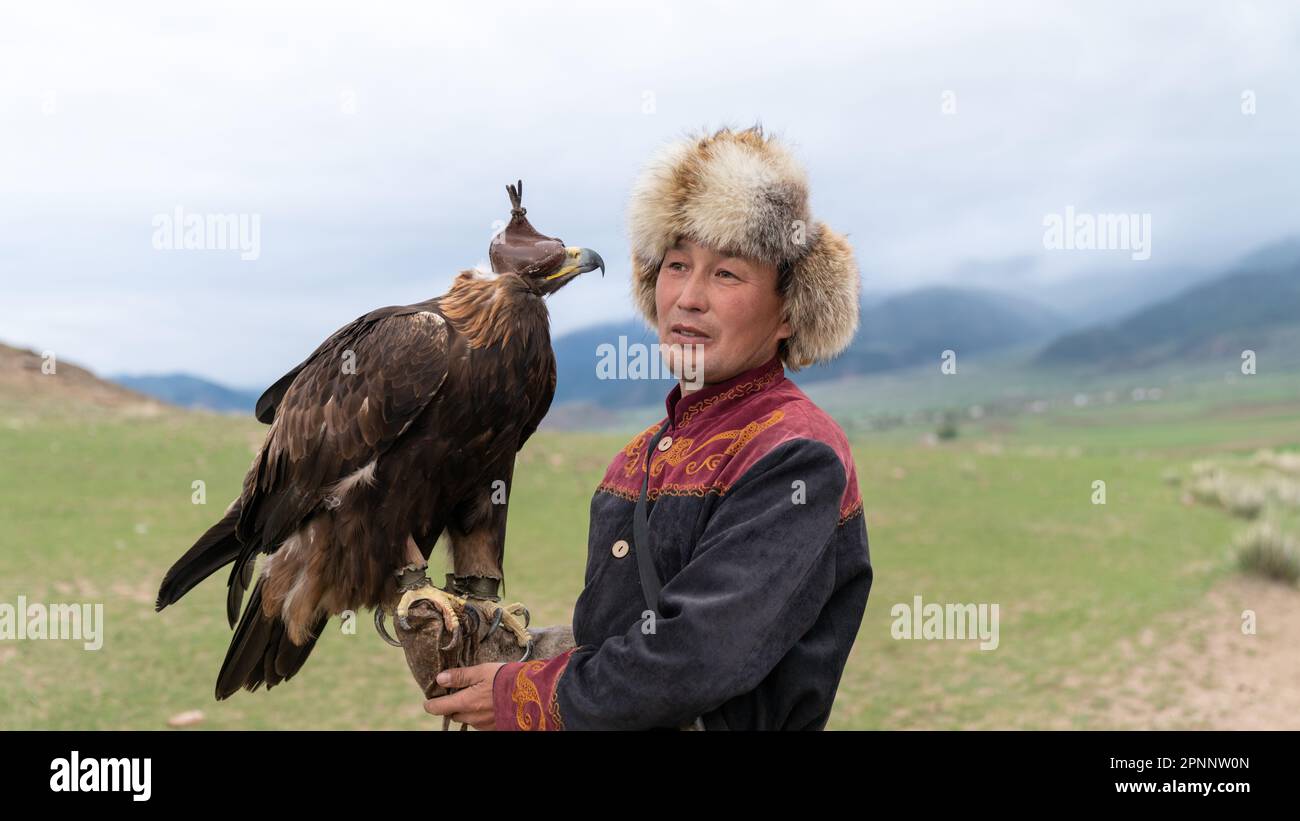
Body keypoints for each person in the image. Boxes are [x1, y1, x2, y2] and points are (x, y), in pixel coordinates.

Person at [424, 124, 871, 730]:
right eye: (677, 265)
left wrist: (523, 695)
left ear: (789, 310)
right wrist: (520, 652)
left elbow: (696, 656)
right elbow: (623, 639)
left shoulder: (795, 453)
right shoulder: (637, 457)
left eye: (727, 274)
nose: (688, 297)